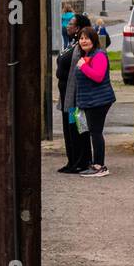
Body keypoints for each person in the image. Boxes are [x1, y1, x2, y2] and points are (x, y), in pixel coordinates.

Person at [73, 25, 116, 177]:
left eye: (87, 38)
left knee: (96, 132)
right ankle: (96, 163)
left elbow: (98, 76)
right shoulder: (86, 55)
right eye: (81, 38)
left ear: (94, 39)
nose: (83, 41)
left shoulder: (99, 55)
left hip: (99, 101)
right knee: (93, 132)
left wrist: (83, 66)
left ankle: (100, 166)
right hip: (90, 101)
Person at [55, 23, 90, 173]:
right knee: (68, 130)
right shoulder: (71, 44)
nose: (67, 25)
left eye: (71, 24)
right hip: (66, 96)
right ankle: (72, 161)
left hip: (75, 98)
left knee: (77, 129)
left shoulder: (80, 48)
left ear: (78, 28)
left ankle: (81, 161)